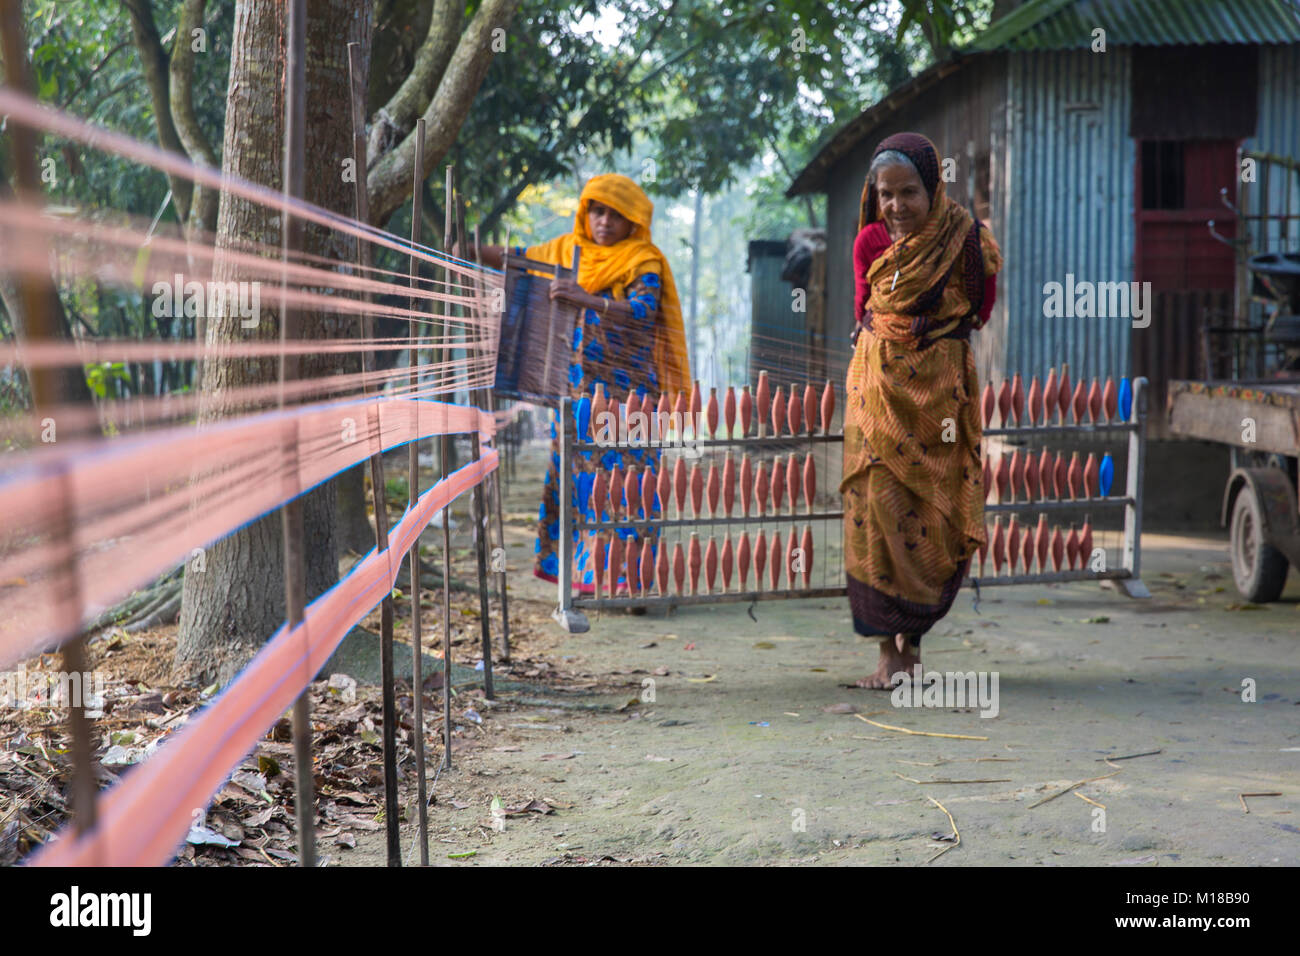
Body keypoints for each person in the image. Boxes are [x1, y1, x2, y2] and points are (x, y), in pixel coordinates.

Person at [842, 132, 1002, 689]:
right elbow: (864, 310)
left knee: (933, 514)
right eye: (885, 194)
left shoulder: (968, 242)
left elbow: (978, 312)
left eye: (908, 192)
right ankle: (888, 655)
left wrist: (927, 341)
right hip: (877, 397)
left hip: (941, 403)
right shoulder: (868, 242)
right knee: (877, 507)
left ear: (934, 187)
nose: (895, 206)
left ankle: (914, 651)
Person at [478, 174, 690, 592]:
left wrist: (586, 299)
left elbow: (644, 310)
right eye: (597, 211)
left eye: (616, 214)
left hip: (631, 397)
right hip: (576, 394)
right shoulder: (565, 252)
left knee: (630, 482)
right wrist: (466, 250)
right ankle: (586, 575)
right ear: (585, 214)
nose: (604, 221)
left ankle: (631, 578)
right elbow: (517, 258)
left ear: (633, 221)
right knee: (581, 481)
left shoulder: (643, 259)